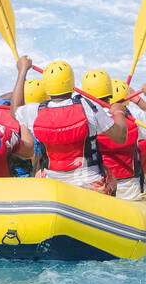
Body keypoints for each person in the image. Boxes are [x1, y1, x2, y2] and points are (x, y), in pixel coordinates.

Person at [13, 60, 126, 191]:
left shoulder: (35, 111)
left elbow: (15, 109)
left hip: (52, 182)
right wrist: (119, 112)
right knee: (112, 178)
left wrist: (22, 71)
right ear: (72, 83)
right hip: (90, 182)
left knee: (38, 174)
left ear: (46, 87)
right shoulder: (89, 107)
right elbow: (120, 136)